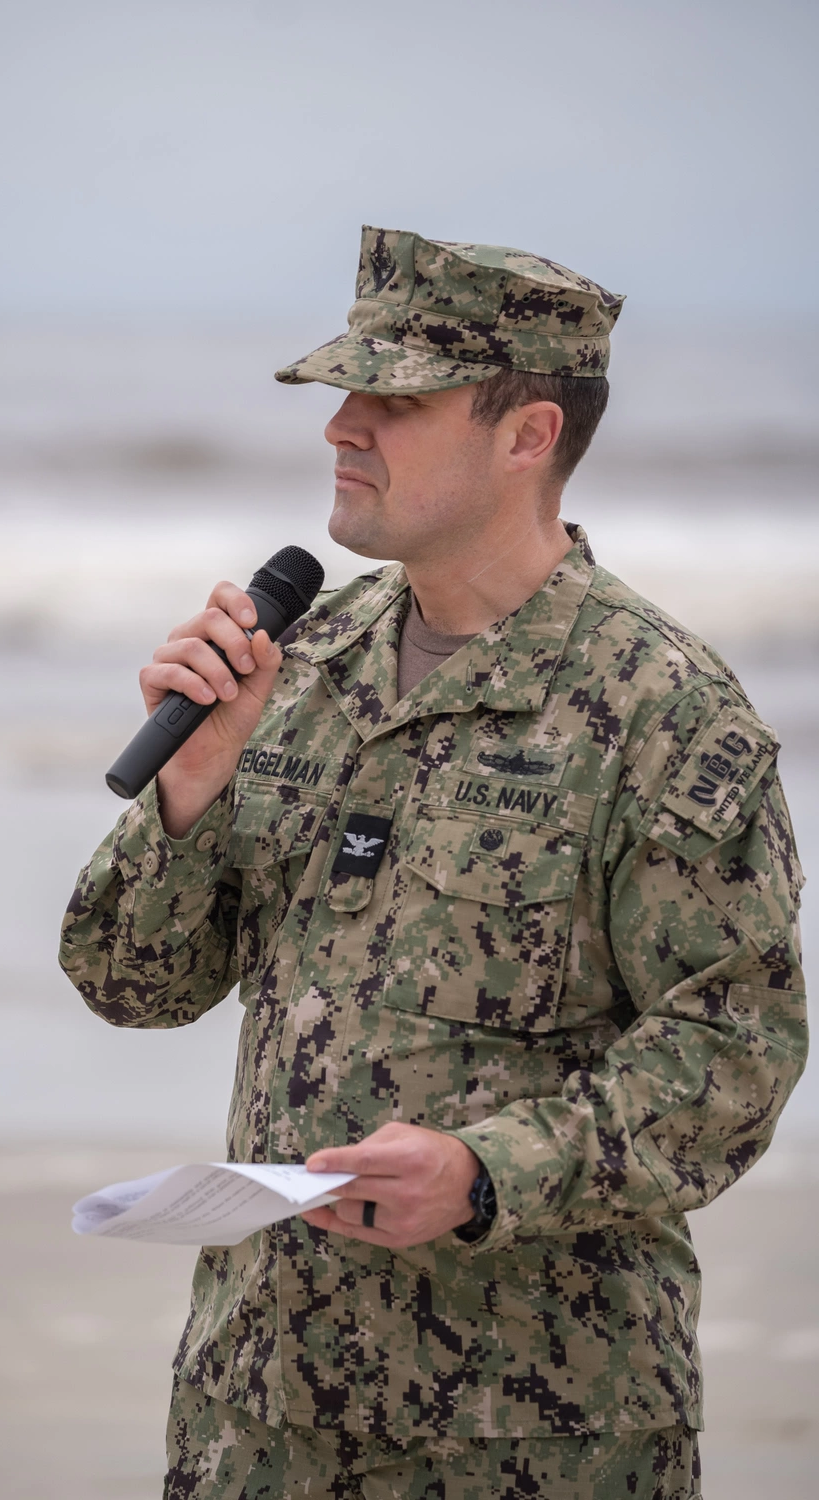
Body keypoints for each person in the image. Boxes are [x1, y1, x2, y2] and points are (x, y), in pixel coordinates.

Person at [59, 226, 807, 1499]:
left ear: (526, 436)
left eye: (394, 399)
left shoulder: (661, 710)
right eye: (346, 393)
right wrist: (192, 791)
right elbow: (132, 983)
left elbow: (733, 1052)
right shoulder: (302, 667)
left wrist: (483, 1175)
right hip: (263, 1405)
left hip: (529, 1431)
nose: (343, 425)